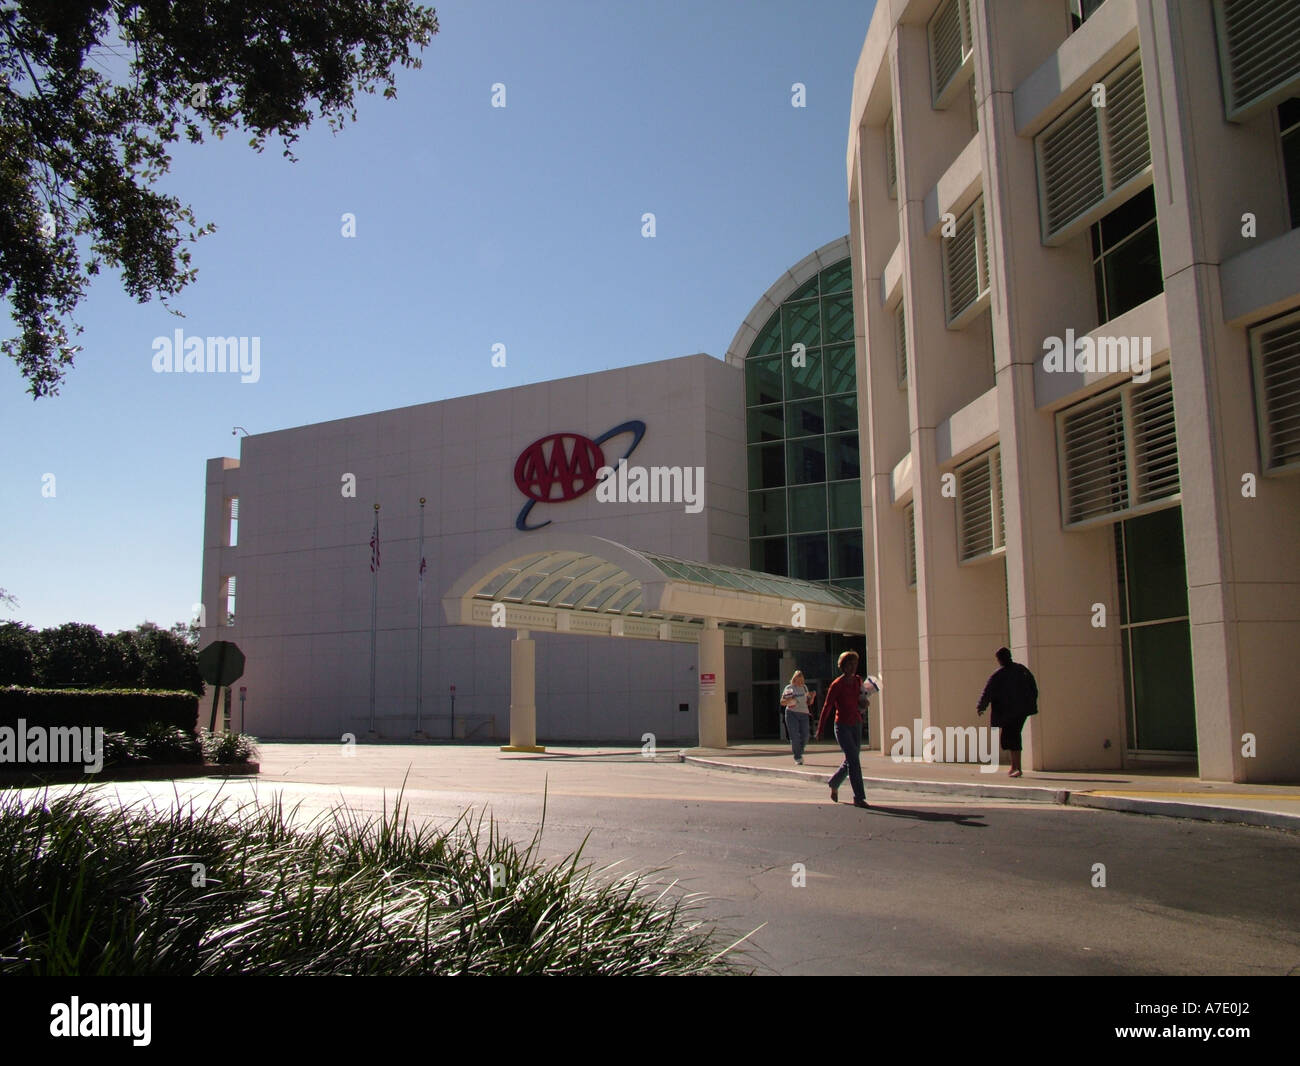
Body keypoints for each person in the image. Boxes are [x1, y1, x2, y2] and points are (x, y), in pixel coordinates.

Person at [815, 651, 869, 808]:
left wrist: (864, 704)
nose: (852, 667)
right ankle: (859, 797)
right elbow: (827, 706)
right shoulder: (837, 685)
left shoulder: (859, 681)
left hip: (856, 724)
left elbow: (861, 701)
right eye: (849, 664)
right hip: (842, 726)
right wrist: (820, 728)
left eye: (854, 664)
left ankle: (834, 782)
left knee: (852, 760)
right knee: (854, 761)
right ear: (842, 666)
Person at [976, 646, 1038, 777]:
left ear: (1000, 659)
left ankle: (1017, 768)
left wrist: (981, 706)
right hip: (1019, 710)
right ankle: (1014, 766)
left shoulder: (1001, 674)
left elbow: (988, 692)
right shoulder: (1021, 670)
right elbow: (1033, 688)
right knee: (1010, 737)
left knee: (1013, 736)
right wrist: (1030, 702)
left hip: (1011, 712)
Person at [779, 670, 816, 764]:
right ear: (794, 680)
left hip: (804, 713)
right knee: (794, 736)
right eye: (798, 681)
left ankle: (799, 751)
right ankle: (798, 757)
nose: (800, 683)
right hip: (792, 713)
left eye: (801, 681)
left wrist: (812, 697)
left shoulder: (804, 688)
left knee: (805, 735)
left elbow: (809, 702)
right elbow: (782, 702)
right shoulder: (789, 688)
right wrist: (790, 700)